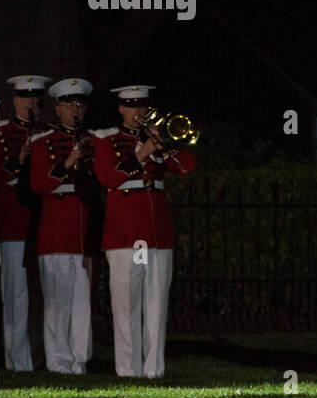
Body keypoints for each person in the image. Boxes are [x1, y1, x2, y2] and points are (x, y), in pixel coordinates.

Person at [93, 84, 196, 378]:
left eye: (142, 105)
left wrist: (165, 143)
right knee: (127, 303)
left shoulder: (159, 135)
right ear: (121, 108)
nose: (139, 111)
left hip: (158, 231)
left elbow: (188, 167)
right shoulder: (106, 139)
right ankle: (128, 370)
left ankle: (154, 370)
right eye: (132, 105)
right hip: (126, 232)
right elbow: (108, 178)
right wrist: (143, 152)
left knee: (157, 303)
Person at [0, 74, 51, 372]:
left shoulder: (47, 132)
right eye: (25, 97)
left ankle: (48, 357)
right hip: (12, 223)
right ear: (14, 100)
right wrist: (17, 161)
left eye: (36, 98)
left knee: (48, 293)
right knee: (16, 294)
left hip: (44, 222)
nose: (30, 103)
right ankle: (17, 361)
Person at [29, 78, 97, 374]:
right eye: (69, 104)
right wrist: (68, 162)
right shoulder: (43, 142)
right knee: (56, 302)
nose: (75, 109)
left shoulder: (94, 141)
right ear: (58, 108)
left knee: (82, 300)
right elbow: (38, 184)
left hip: (83, 230)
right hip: (55, 230)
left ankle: (79, 359)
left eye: (79, 104)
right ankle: (58, 361)